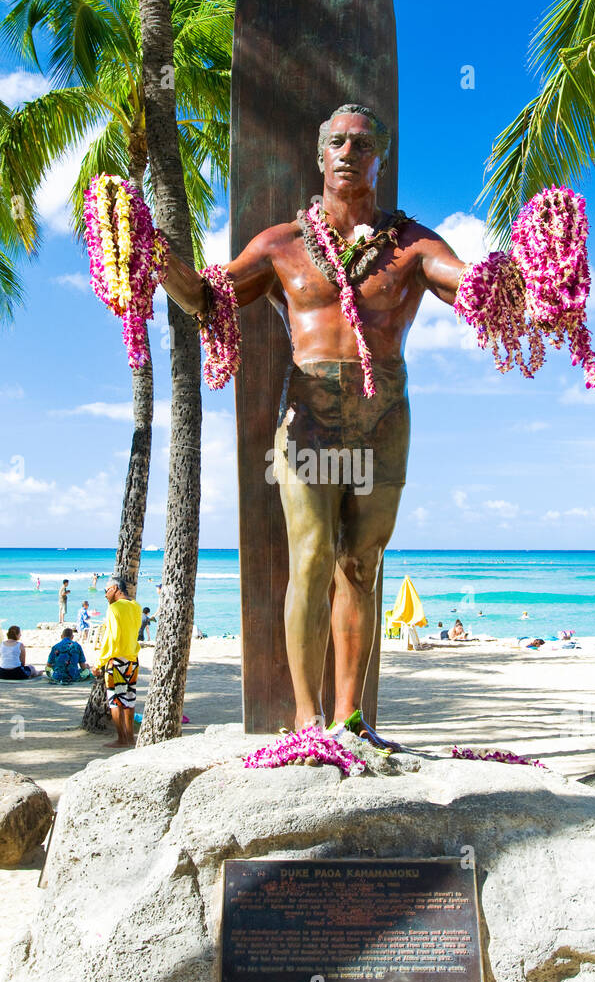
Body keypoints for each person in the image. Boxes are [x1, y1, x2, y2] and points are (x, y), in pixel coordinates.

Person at [162, 105, 485, 743]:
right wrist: (148, 257)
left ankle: (350, 719)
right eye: (335, 142)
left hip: (383, 412)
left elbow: (469, 286)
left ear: (380, 158)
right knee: (310, 559)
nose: (347, 151)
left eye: (361, 144)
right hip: (309, 413)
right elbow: (206, 296)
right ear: (318, 157)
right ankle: (307, 723)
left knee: (361, 565)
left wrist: (527, 279)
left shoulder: (413, 245)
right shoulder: (281, 244)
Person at [93, 578, 142, 747]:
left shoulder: (113, 608)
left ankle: (122, 739)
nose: (105, 594)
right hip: (132, 659)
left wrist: (99, 662)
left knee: (115, 699)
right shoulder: (136, 606)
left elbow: (111, 638)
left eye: (106, 590)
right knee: (129, 698)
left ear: (115, 588)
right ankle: (130, 737)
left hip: (116, 660)